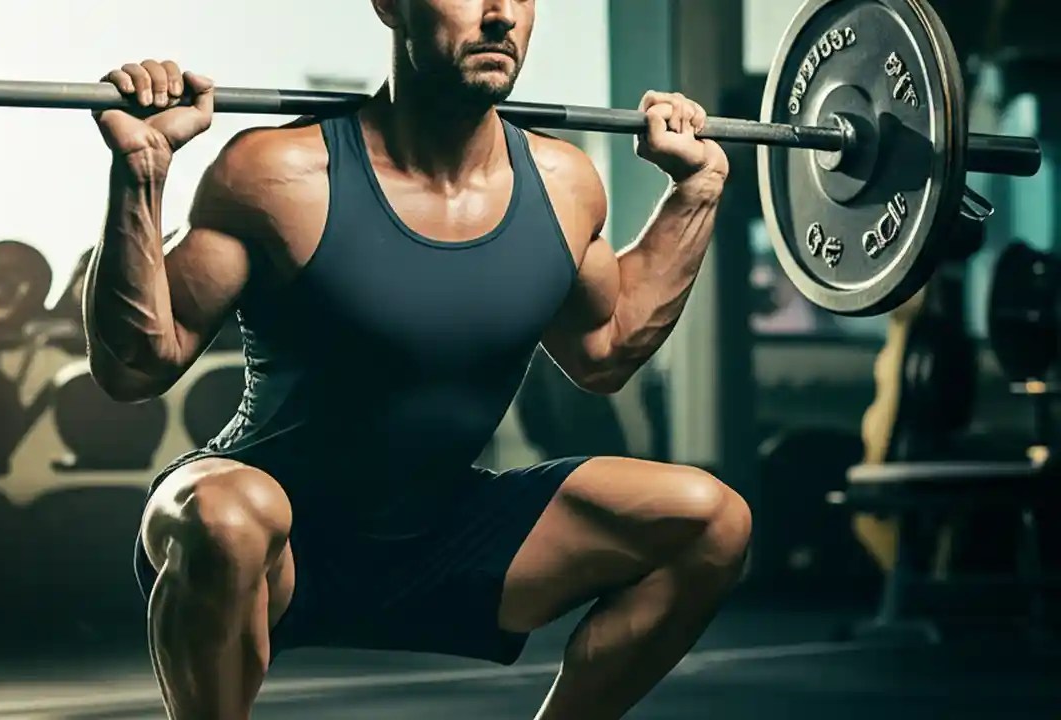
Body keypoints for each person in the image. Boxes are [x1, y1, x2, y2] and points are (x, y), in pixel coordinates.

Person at [85, 1, 751, 718]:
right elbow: (134, 368)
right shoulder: (280, 172)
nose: (501, 16)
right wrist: (140, 174)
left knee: (710, 520)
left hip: (442, 531)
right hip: (269, 541)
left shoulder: (564, 182)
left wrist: (698, 192)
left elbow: (605, 353)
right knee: (229, 514)